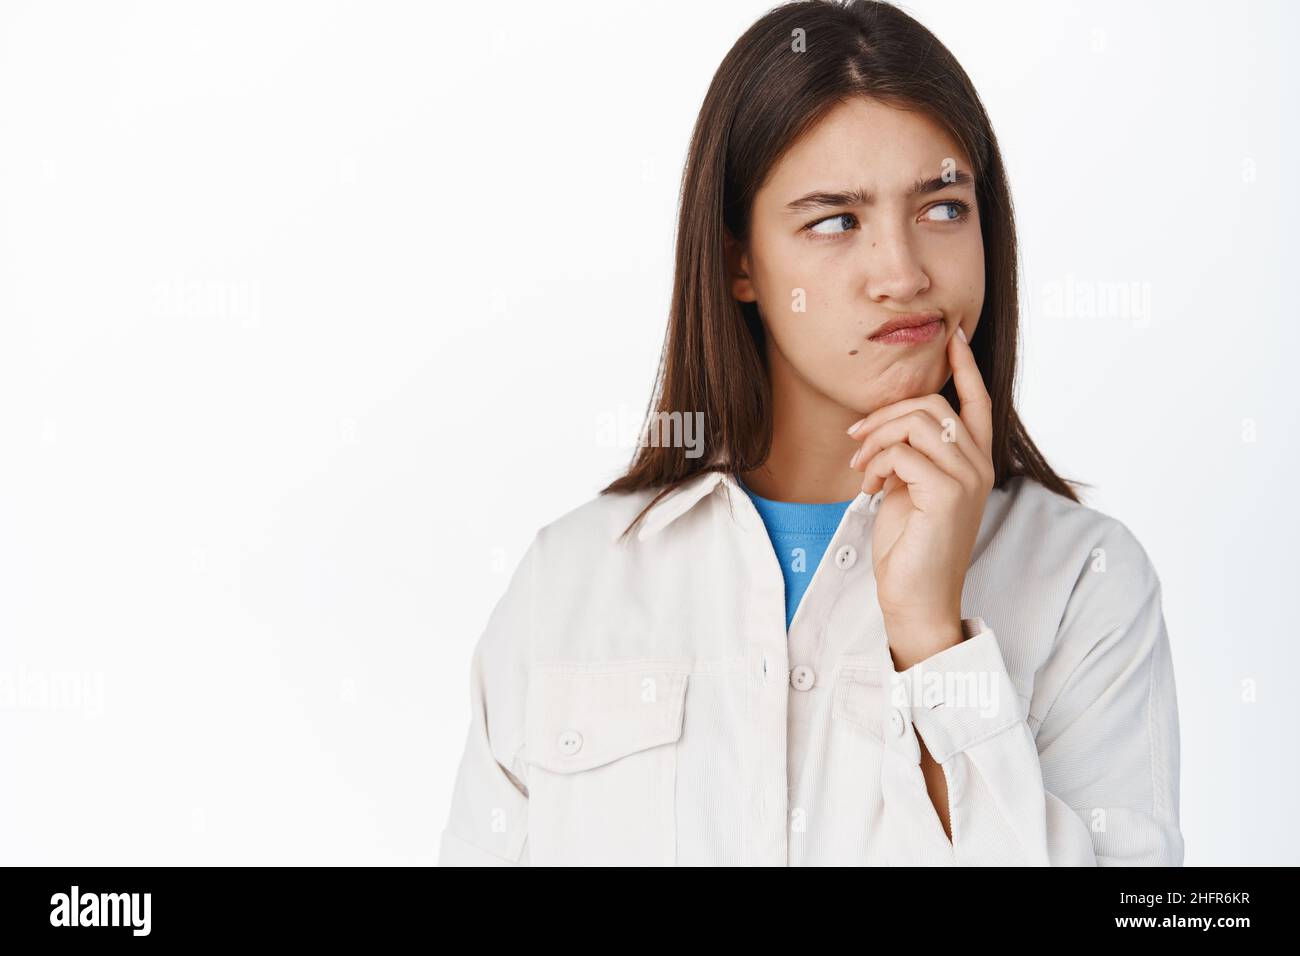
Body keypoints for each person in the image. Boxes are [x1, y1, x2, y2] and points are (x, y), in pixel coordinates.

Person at [437, 0, 1183, 866]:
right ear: (739, 263)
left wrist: (933, 646)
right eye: (835, 221)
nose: (903, 273)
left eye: (943, 208)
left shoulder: (1085, 584)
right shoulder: (567, 584)